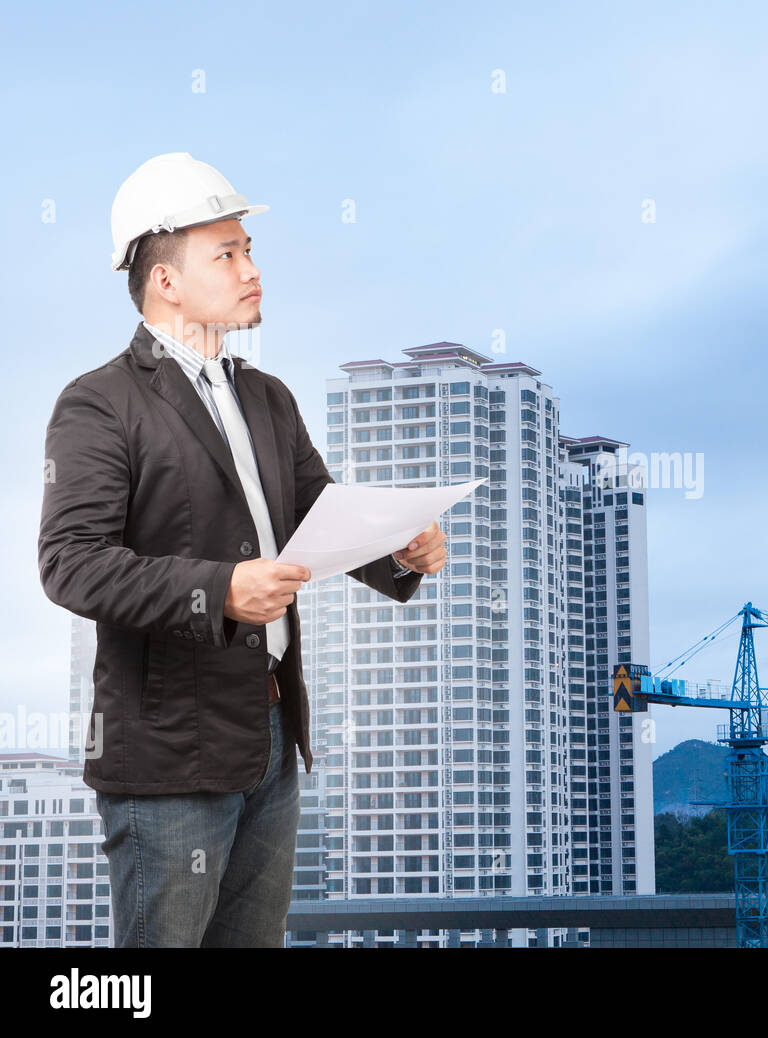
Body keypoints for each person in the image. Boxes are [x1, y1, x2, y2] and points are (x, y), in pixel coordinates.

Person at [37, 152, 447, 947]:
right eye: (226, 254)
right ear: (166, 281)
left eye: (248, 250)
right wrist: (220, 589)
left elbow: (317, 520)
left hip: (269, 738)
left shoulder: (266, 396)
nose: (251, 269)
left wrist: (399, 549)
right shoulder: (99, 404)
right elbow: (70, 561)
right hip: (167, 758)